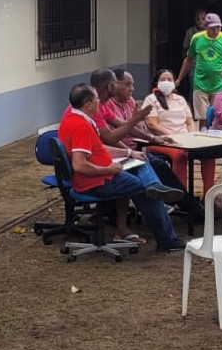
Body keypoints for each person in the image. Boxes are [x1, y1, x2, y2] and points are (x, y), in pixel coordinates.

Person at [59, 83, 186, 251]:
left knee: (140, 160)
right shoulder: (81, 126)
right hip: (98, 180)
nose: (100, 102)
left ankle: (154, 186)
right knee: (142, 189)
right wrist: (109, 170)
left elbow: (98, 149)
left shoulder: (73, 119)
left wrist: (128, 153)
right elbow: (79, 164)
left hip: (102, 174)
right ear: (88, 105)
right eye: (96, 99)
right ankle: (167, 239)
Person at [141, 69, 218, 195]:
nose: (166, 82)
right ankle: (182, 197)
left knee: (208, 155)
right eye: (163, 79)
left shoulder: (180, 100)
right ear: (156, 83)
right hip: (162, 141)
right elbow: (152, 124)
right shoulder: (151, 99)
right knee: (180, 155)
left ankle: (209, 196)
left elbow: (189, 122)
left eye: (169, 79)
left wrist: (192, 135)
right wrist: (173, 136)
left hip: (185, 140)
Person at [176, 12, 222, 125]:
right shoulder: (197, 38)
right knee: (202, 117)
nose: (216, 31)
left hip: (219, 84)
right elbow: (189, 59)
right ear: (206, 27)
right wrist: (179, 78)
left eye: (218, 27)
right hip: (200, 84)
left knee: (217, 116)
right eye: (213, 28)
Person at [179, 9, 207, 112]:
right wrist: (185, 65)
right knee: (194, 89)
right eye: (198, 19)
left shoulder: (211, 32)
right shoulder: (190, 32)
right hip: (194, 64)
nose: (200, 21)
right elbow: (185, 49)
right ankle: (194, 112)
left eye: (203, 18)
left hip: (208, 66)